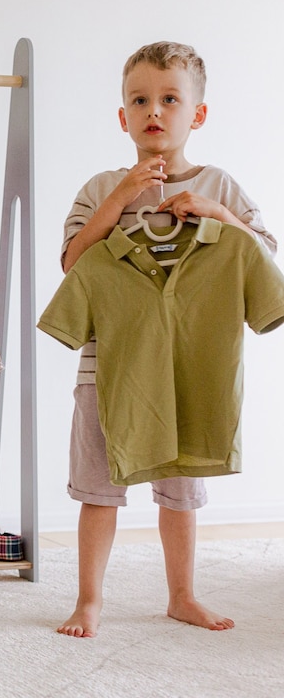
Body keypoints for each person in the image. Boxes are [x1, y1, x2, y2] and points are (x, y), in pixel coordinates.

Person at [56, 41, 277, 638]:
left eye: (170, 99)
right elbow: (74, 262)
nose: (154, 110)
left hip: (187, 371)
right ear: (123, 115)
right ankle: (89, 601)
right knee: (99, 491)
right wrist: (123, 195)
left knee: (180, 491)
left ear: (196, 114)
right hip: (106, 369)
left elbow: (266, 258)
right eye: (140, 100)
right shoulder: (102, 185)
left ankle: (183, 594)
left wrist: (218, 213)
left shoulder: (220, 184)